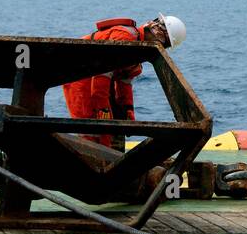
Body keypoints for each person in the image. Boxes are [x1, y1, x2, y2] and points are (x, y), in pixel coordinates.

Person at [63, 14, 186, 148]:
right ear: (155, 29)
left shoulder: (138, 50)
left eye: (166, 45)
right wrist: (103, 110)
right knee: (92, 130)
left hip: (98, 80)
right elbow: (101, 78)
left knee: (114, 125)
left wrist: (127, 112)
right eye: (164, 42)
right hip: (79, 78)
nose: (161, 47)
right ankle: (97, 161)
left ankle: (112, 159)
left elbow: (124, 83)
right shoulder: (124, 37)